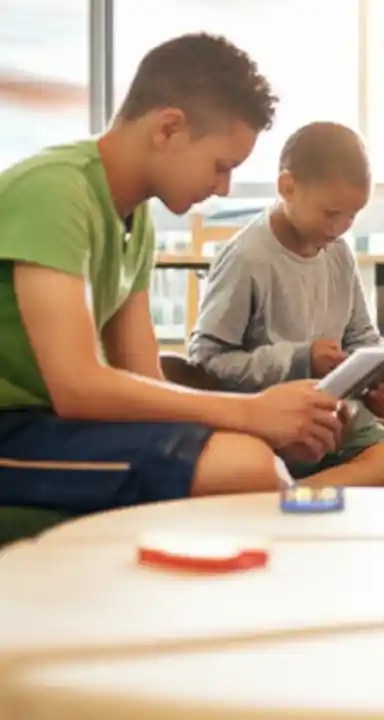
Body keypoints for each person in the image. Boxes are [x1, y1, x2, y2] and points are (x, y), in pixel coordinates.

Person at [0, 33, 345, 513]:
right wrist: (249, 411)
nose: (223, 188)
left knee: (252, 455)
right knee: (246, 467)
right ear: (168, 129)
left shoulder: (135, 220)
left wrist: (269, 426)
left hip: (49, 424)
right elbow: (77, 387)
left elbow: (143, 378)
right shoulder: (55, 192)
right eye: (221, 166)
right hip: (17, 425)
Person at [188, 121, 384, 487]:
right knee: (256, 469)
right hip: (267, 422)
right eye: (331, 213)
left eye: (352, 215)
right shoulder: (248, 257)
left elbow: (361, 336)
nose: (340, 227)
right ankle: (286, 494)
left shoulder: (338, 253)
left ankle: (289, 496)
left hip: (331, 416)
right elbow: (206, 360)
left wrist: (377, 381)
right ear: (287, 187)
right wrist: (300, 358)